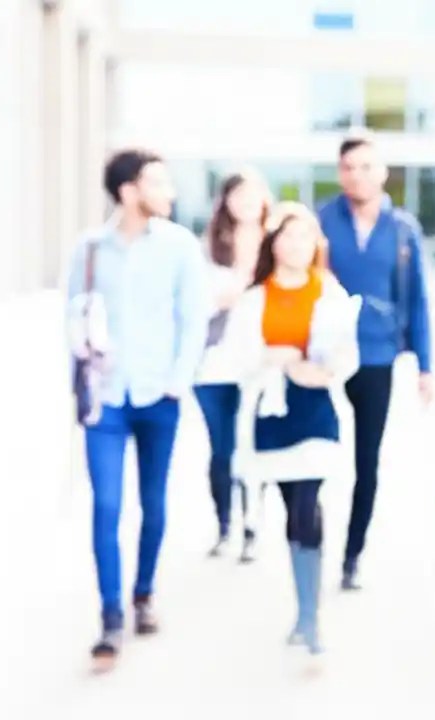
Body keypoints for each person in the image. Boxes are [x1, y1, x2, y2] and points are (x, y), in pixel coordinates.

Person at [65, 148, 208, 668]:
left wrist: (177, 382)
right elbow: (72, 319)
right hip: (106, 400)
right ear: (129, 191)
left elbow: (193, 320)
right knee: (106, 507)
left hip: (158, 395)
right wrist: (76, 390)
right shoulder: (89, 249)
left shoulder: (180, 247)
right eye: (157, 183)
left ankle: (143, 592)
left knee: (154, 503)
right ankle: (110, 617)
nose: (168, 193)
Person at [218, 201, 360, 655]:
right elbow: (236, 355)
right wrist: (273, 358)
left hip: (315, 407)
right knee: (288, 509)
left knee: (306, 504)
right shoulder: (255, 297)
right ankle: (302, 610)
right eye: (288, 235)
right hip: (271, 411)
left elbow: (346, 355)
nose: (297, 245)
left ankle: (312, 617)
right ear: (273, 242)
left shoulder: (330, 292)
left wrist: (325, 368)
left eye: (305, 236)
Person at [318, 132, 432, 591]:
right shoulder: (322, 221)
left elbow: (417, 299)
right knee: (316, 457)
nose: (357, 175)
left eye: (366, 166)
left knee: (367, 460)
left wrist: (425, 365)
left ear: (382, 172)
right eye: (348, 167)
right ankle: (308, 540)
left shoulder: (402, 229)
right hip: (326, 356)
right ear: (339, 173)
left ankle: (352, 555)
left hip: (378, 357)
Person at [194, 169, 271, 562]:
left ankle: (252, 526)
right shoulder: (208, 248)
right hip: (212, 365)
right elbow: (207, 302)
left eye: (252, 194)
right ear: (224, 202)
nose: (244, 202)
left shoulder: (278, 244)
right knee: (222, 449)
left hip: (259, 365)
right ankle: (224, 525)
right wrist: (242, 281)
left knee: (253, 448)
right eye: (236, 195)